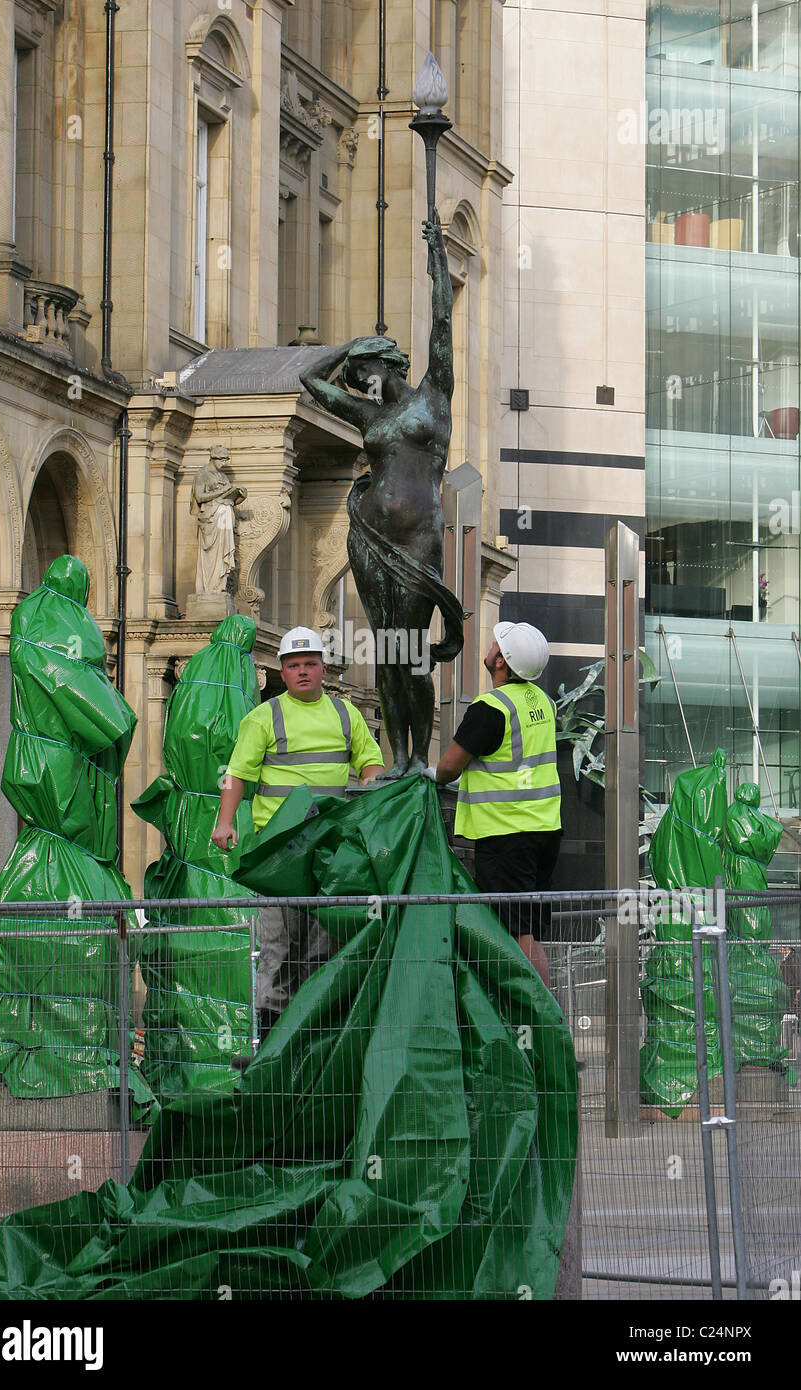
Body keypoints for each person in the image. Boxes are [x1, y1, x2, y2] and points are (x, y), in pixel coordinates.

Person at [299, 210, 465, 779]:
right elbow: (311, 382)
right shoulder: (369, 413)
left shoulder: (432, 396)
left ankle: (421, 758)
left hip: (416, 542)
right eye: (355, 373)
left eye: (362, 369)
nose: (355, 380)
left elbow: (442, 318)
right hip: (370, 540)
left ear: (386, 363)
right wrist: (346, 347)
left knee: (413, 653)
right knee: (389, 655)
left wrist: (438, 256)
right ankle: (399, 760)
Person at [212, 626, 384, 1025]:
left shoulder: (346, 714)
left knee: (325, 948)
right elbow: (237, 775)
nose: (302, 671)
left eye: (310, 663)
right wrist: (224, 823)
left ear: (324, 668)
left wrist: (374, 783)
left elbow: (371, 764)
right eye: (293, 665)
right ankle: (274, 1050)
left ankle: (315, 1041)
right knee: (279, 948)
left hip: (330, 849)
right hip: (281, 853)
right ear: (283, 672)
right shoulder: (264, 717)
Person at [425, 622, 561, 987]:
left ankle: (538, 1021)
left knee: (514, 934)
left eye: (495, 645)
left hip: (506, 834)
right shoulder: (543, 703)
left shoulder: (491, 706)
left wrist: (425, 773)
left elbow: (450, 766)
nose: (489, 648)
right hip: (543, 829)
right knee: (526, 930)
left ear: (501, 661)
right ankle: (537, 1022)